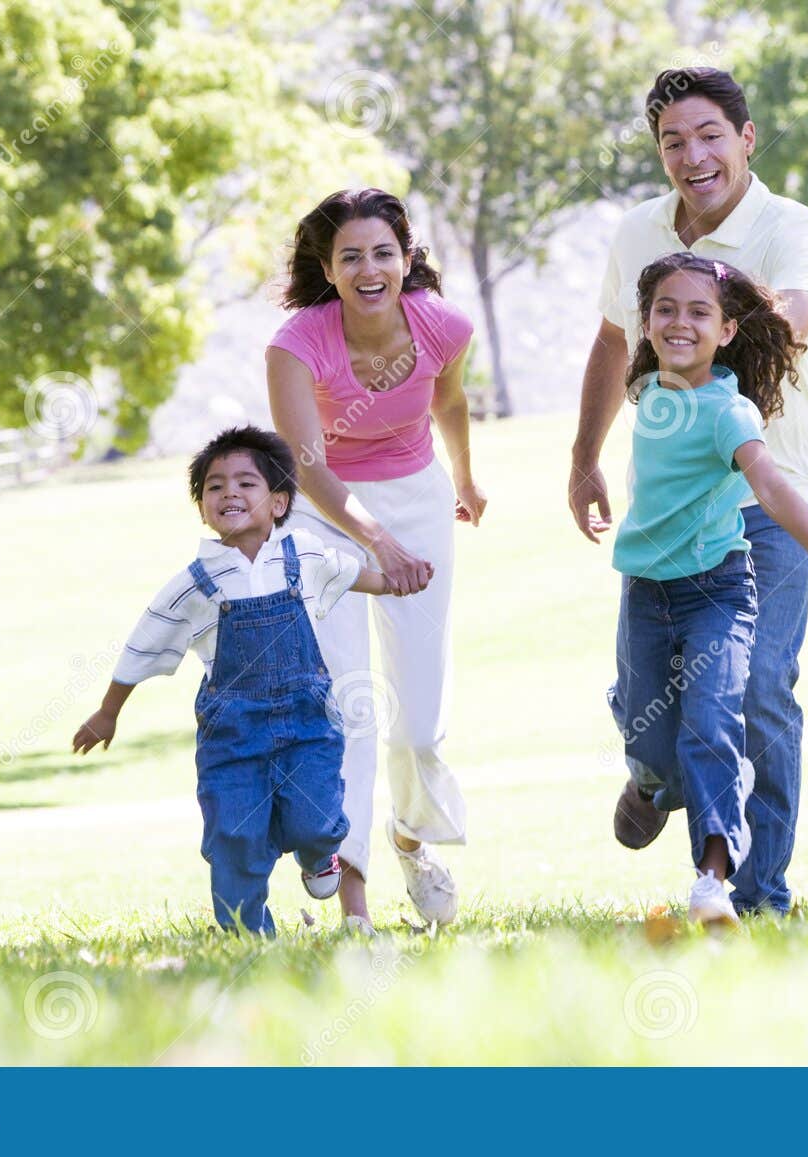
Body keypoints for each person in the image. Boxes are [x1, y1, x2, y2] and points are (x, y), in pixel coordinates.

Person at [570, 67, 808, 917]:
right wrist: (584, 456)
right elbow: (613, 341)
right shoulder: (637, 232)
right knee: (654, 708)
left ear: (746, 138)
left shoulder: (794, 228)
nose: (694, 157)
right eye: (673, 142)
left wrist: (724, 323)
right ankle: (656, 777)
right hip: (670, 514)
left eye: (710, 136)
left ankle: (750, 898)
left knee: (758, 692)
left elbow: (799, 309)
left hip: (768, 498)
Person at [608, 253, 808, 925]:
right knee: (653, 738)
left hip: (717, 592)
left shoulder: (729, 411)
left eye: (699, 312)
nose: (680, 322)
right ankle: (651, 776)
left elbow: (773, 488)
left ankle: (712, 883)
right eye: (665, 309)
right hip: (645, 594)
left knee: (712, 726)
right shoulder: (648, 390)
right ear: (646, 321)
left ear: (727, 330)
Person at [71, 426, 401, 937]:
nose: (230, 493)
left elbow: (350, 573)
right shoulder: (195, 583)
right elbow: (143, 644)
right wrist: (109, 711)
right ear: (202, 508)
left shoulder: (303, 555)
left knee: (314, 819)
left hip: (308, 726)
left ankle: (320, 856)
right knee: (235, 835)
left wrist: (395, 582)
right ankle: (248, 937)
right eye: (215, 485)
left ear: (279, 502)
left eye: (247, 483)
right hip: (233, 737)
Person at [266, 188, 487, 934]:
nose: (370, 270)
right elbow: (304, 464)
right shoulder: (296, 344)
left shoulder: (444, 325)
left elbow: (449, 402)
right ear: (328, 269)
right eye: (351, 257)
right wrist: (378, 543)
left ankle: (410, 838)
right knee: (350, 707)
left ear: (407, 257)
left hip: (417, 498)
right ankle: (353, 902)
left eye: (383, 253)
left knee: (418, 720)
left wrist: (464, 479)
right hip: (322, 513)